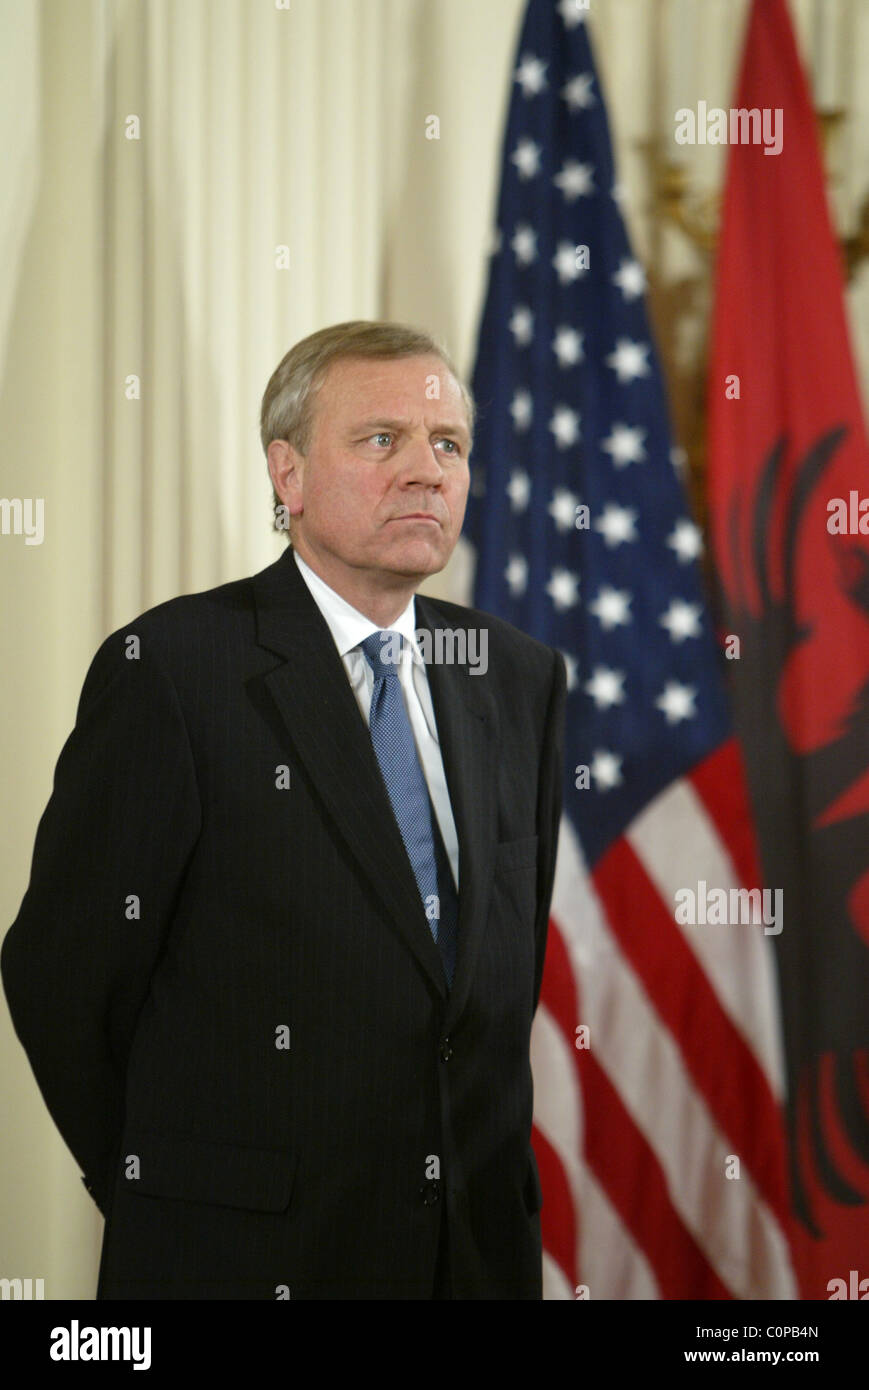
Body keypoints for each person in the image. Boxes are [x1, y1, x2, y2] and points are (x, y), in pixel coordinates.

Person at [1, 319, 566, 1299]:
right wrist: (166, 1189)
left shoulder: (516, 677)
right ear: (287, 474)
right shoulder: (175, 672)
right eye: (380, 439)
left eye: (448, 445)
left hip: (472, 1263)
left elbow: (484, 992)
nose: (426, 472)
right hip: (239, 1259)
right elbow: (63, 979)